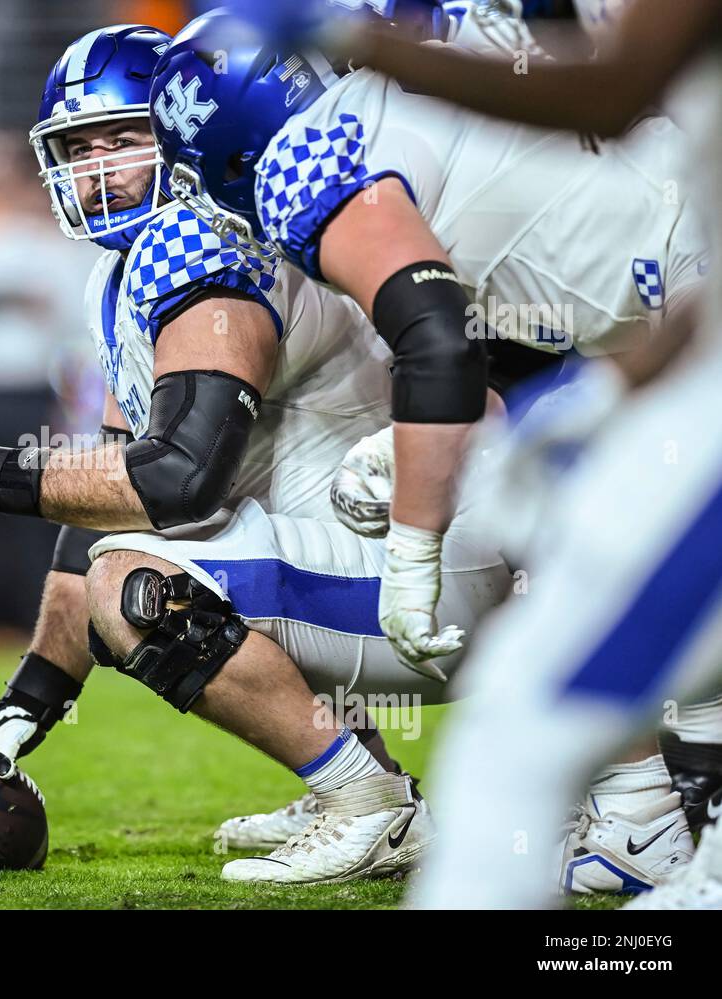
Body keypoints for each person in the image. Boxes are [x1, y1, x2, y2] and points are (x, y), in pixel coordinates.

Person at [0, 23, 517, 886]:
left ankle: (367, 802)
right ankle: (365, 776)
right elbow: (102, 504)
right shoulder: (124, 271)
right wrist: (23, 708)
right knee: (127, 558)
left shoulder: (203, 244)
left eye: (122, 139)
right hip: (383, 557)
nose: (98, 168)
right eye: (79, 148)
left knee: (137, 588)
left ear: (182, 132)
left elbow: (176, 480)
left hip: (433, 576)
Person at [237, 0, 722, 908]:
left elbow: (440, 342)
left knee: (520, 725)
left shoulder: (328, 145)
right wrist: (603, 399)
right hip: (683, 331)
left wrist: (412, 557)